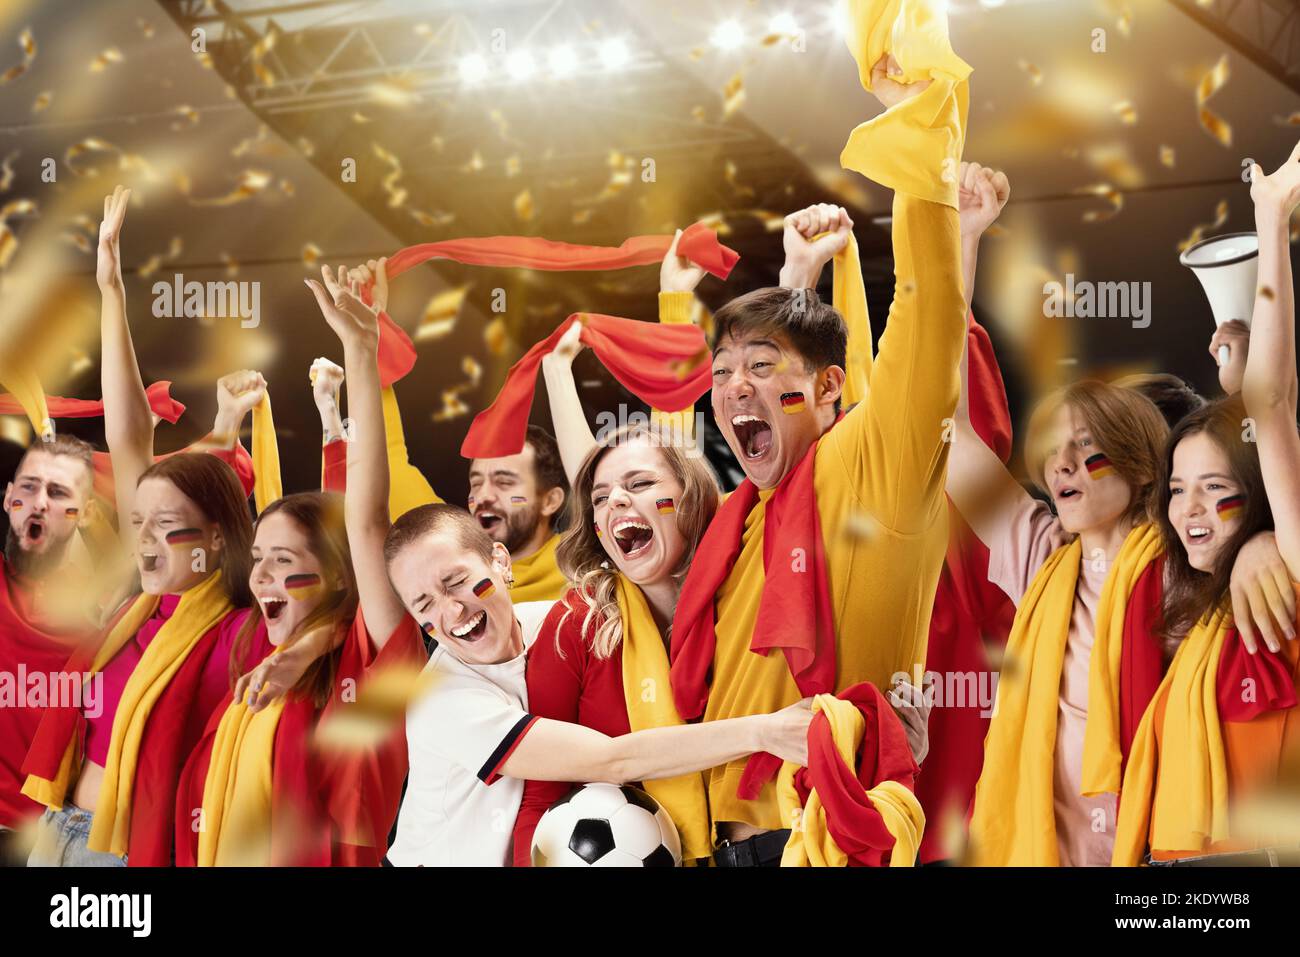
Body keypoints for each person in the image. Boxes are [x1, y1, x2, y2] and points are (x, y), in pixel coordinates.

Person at [305, 267, 812, 866]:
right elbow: (610, 759)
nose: (451, 609)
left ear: (501, 561)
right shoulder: (443, 694)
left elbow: (612, 490)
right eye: (426, 608)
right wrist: (362, 357)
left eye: (456, 583)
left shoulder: (565, 623)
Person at [665, 51, 970, 865]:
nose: (734, 391)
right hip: (707, 844)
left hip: (821, 841)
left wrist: (915, 120)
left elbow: (928, 306)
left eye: (762, 371)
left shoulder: (873, 469)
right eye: (722, 375)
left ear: (829, 387)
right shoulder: (733, 523)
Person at [22, 187, 262, 867]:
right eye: (140, 522)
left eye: (171, 525)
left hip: (130, 855)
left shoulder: (244, 628)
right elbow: (128, 433)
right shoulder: (137, 607)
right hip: (57, 828)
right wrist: (110, 285)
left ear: (220, 534)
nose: (146, 538)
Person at [1113, 141, 1300, 866]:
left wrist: (1270, 216)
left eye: (1216, 493)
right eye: (1177, 489)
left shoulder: (1287, 569)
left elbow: (1272, 407)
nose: (1188, 511)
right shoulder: (1196, 611)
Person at [318, 260, 570, 603]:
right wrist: (369, 345)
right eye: (477, 481)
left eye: (504, 481)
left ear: (551, 500)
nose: (483, 495)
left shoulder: (586, 573)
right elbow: (388, 459)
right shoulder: (444, 549)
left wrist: (673, 300)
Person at [0, 435, 100, 863]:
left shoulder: (112, 621)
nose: (39, 502)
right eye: (27, 486)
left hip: (54, 845)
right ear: (8, 497)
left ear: (88, 513)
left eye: (58, 492)